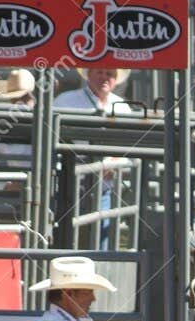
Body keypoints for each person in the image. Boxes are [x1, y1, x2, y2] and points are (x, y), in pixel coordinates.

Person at [53, 67, 135, 247]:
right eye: (100, 72)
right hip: (68, 181)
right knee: (63, 231)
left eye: (109, 74)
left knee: (101, 233)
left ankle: (97, 265)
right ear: (89, 74)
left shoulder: (122, 106)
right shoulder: (65, 101)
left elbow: (128, 149)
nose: (104, 77)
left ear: (115, 80)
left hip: (103, 183)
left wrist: (114, 163)